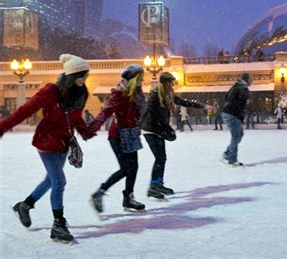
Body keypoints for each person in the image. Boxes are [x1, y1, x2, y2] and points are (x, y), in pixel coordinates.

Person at [0, 54, 92, 242]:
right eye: (82, 75)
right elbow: (24, 110)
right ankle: (58, 224)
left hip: (63, 143)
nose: (84, 79)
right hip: (46, 142)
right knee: (59, 181)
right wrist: (2, 127)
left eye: (86, 75)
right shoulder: (52, 91)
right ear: (72, 76)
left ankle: (24, 206)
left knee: (50, 181)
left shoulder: (81, 93)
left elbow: (75, 117)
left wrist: (85, 131)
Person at [140, 72, 213, 199]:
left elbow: (184, 102)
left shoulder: (168, 95)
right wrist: (159, 127)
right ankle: (153, 187)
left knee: (162, 157)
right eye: (171, 82)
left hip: (159, 129)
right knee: (160, 157)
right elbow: (148, 112)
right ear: (166, 83)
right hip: (151, 130)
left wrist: (203, 106)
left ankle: (158, 184)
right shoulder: (155, 95)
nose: (173, 84)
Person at [89, 64, 146, 213]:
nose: (143, 81)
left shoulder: (137, 94)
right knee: (126, 168)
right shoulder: (119, 94)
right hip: (118, 136)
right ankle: (99, 193)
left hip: (132, 133)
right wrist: (91, 129)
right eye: (140, 78)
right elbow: (106, 112)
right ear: (133, 79)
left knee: (134, 167)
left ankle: (128, 198)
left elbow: (141, 114)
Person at [221, 73, 251, 166]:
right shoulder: (242, 88)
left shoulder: (236, 86)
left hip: (229, 113)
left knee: (239, 135)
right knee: (236, 136)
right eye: (251, 79)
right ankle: (232, 159)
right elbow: (239, 102)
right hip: (232, 114)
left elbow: (227, 97)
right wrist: (246, 99)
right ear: (247, 79)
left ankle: (228, 153)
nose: (252, 81)